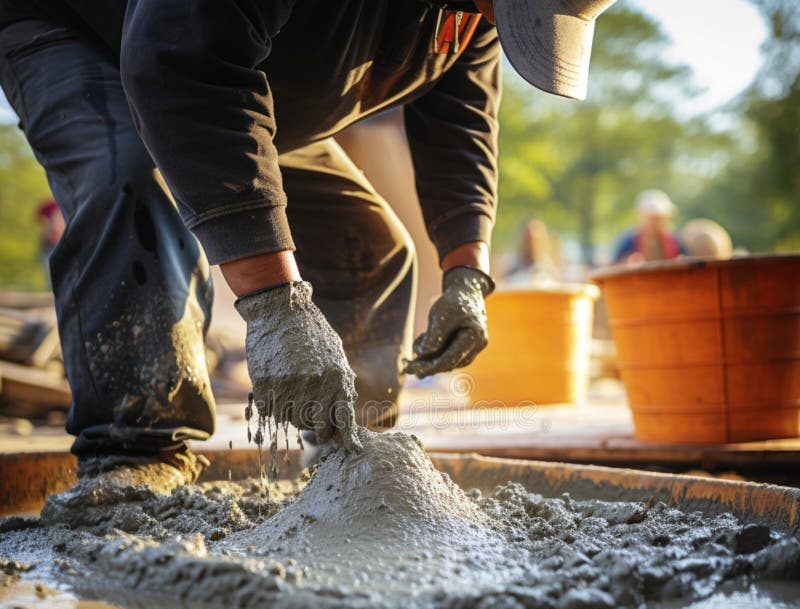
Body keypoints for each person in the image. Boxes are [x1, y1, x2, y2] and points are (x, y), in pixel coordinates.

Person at [0, 0, 617, 500]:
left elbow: (462, 120)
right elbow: (178, 61)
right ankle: (134, 461)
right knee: (135, 187)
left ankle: (347, 459)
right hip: (92, 33)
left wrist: (467, 273)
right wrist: (276, 307)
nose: (495, 18)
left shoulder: (477, 12)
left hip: (244, 84)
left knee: (370, 250)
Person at [613, 189, 687, 266]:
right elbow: (613, 265)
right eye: (651, 218)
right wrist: (626, 262)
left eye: (659, 218)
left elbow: (688, 260)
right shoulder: (629, 240)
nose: (655, 222)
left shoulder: (674, 239)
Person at [502, 218, 561, 286]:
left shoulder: (548, 267)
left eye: (535, 241)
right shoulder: (511, 263)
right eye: (528, 240)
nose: (531, 245)